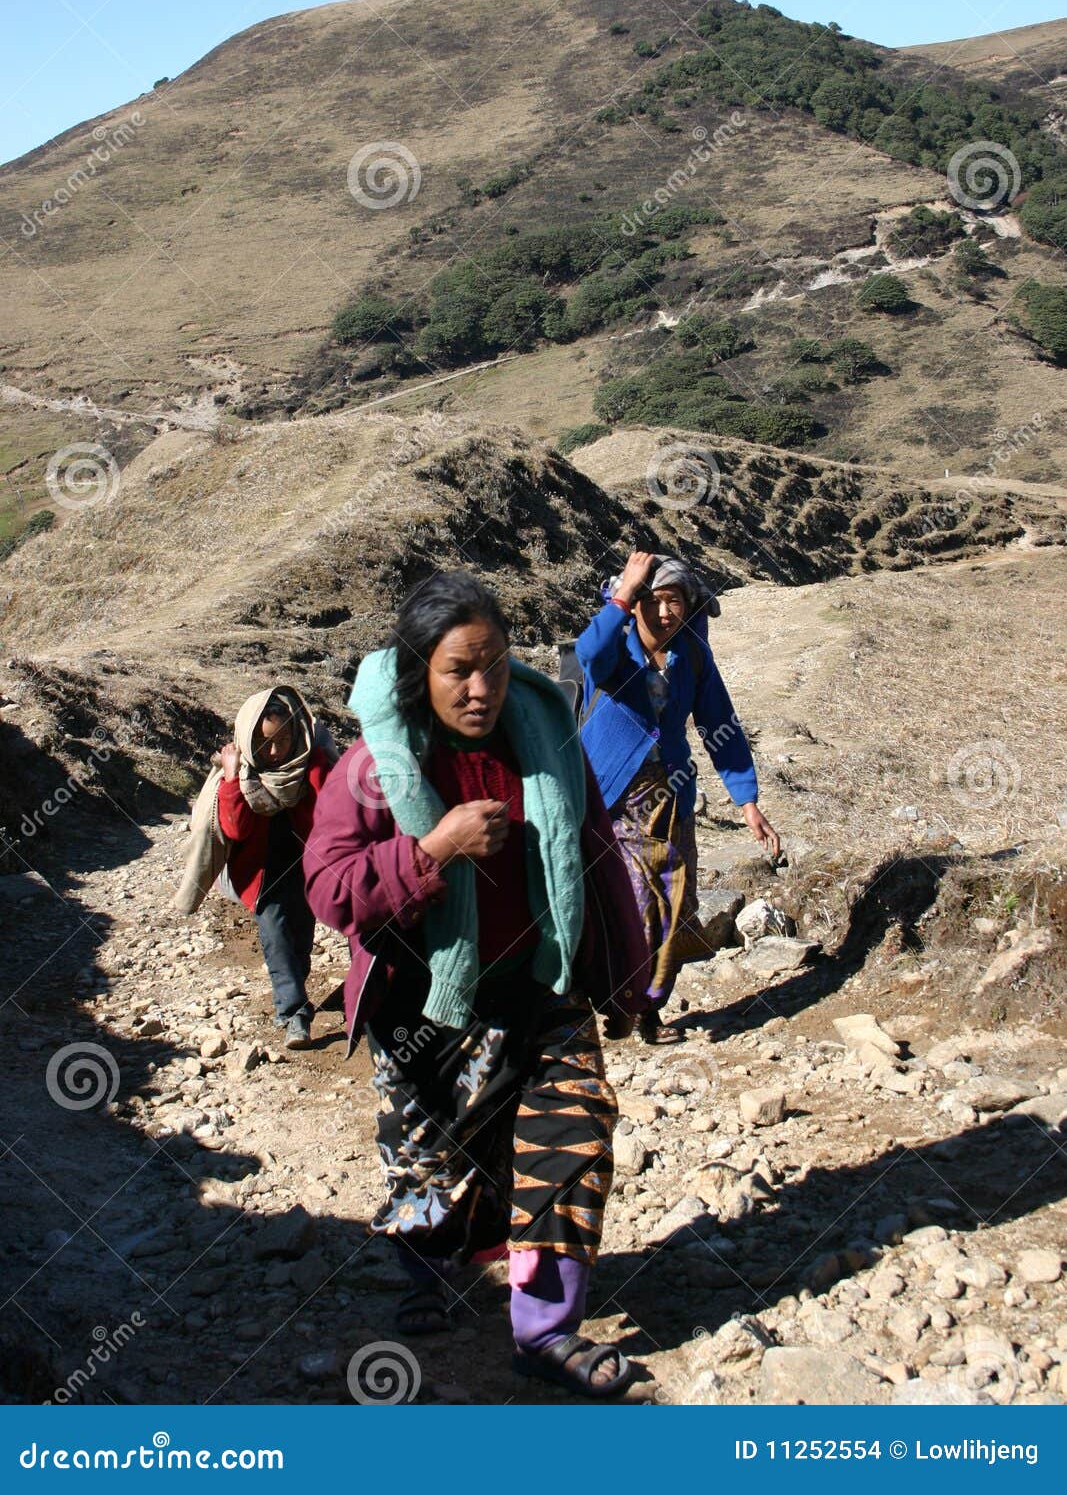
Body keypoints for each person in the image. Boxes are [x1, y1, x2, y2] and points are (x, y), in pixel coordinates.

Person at [303, 571, 649, 1398]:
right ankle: (427, 1270)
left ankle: (545, 1330)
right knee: (435, 1155)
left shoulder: (542, 736)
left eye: (493, 663)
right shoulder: (373, 767)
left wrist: (628, 978)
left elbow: (597, 854)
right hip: (426, 1002)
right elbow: (328, 887)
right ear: (418, 670)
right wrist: (433, 851)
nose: (482, 687)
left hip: (540, 985)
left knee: (571, 1136)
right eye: (458, 668)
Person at [575, 550, 780, 1045]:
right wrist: (625, 589)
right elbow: (588, 652)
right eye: (657, 600)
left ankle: (647, 1008)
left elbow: (719, 724)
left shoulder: (691, 655)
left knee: (672, 904)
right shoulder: (615, 650)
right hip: (613, 800)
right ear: (638, 602)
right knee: (630, 904)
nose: (666, 613)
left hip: (672, 797)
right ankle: (612, 998)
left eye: (677, 602)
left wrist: (746, 800)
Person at [172, 685, 334, 1049]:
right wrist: (231, 778)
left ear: (297, 735)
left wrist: (320, 761)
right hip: (262, 876)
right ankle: (294, 1014)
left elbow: (328, 814)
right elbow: (236, 828)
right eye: (265, 743)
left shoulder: (310, 763)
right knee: (276, 937)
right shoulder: (242, 772)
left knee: (300, 936)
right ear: (249, 738)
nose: (275, 752)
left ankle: (295, 983)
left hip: (306, 871)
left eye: (283, 740)